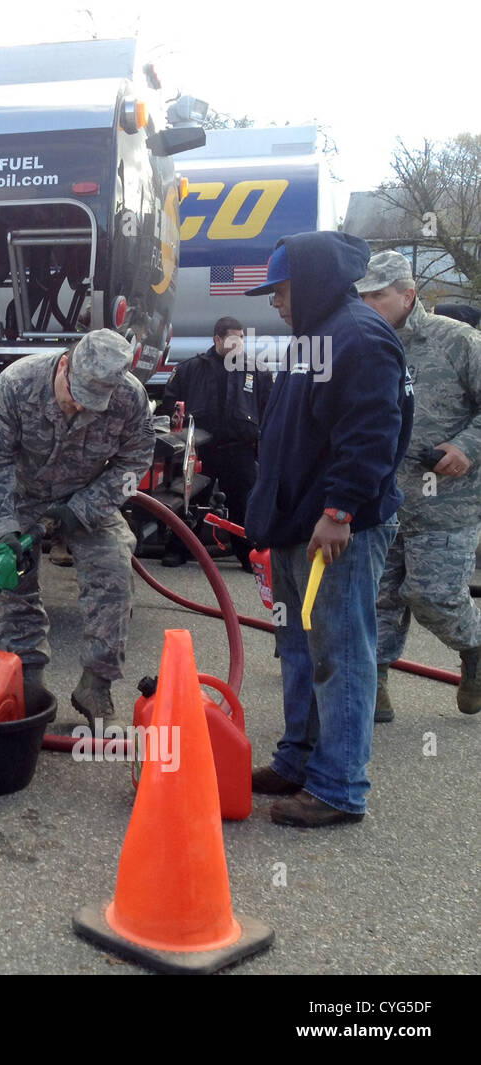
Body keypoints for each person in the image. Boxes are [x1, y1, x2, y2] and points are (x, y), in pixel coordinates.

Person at [244, 233, 413, 828]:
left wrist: (338, 511)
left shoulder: (359, 339)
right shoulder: (316, 339)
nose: (274, 302)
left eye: (280, 289)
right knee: (299, 647)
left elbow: (372, 434)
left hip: (336, 530)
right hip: (300, 528)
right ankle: (299, 761)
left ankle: (340, 787)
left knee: (339, 654)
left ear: (310, 282)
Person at [0, 328, 154, 725]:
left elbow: (134, 463)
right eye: (75, 396)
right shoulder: (18, 383)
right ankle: (28, 682)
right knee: (14, 585)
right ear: (65, 364)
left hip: (85, 498)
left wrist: (83, 508)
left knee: (115, 574)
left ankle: (95, 685)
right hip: (20, 500)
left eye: (93, 404)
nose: (79, 409)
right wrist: (3, 530)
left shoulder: (130, 398)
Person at [355, 251, 481, 721]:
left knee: (432, 594)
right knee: (378, 597)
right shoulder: (363, 345)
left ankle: (475, 648)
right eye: (362, 295)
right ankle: (376, 684)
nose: (368, 305)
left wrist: (466, 445)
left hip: (447, 501)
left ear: (408, 295)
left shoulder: (457, 340)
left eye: (378, 295)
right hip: (382, 498)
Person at [158, 316, 272, 570]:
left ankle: (248, 556)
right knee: (189, 502)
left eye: (242, 338)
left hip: (239, 450)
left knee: (244, 506)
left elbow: (269, 410)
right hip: (200, 451)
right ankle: (178, 550)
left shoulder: (256, 371)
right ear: (217, 339)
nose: (239, 344)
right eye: (233, 339)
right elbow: (170, 405)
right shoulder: (189, 369)